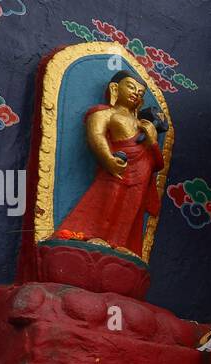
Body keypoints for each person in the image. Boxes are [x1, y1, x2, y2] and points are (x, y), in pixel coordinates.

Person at [54, 70, 164, 257]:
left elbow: (158, 164)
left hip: (142, 169)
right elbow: (96, 136)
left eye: (140, 92)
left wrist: (152, 140)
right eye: (131, 86)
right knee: (109, 199)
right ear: (114, 88)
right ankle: (99, 236)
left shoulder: (142, 125)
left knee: (131, 207)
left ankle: (119, 243)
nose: (136, 93)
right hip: (117, 165)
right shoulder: (104, 113)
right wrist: (107, 158)